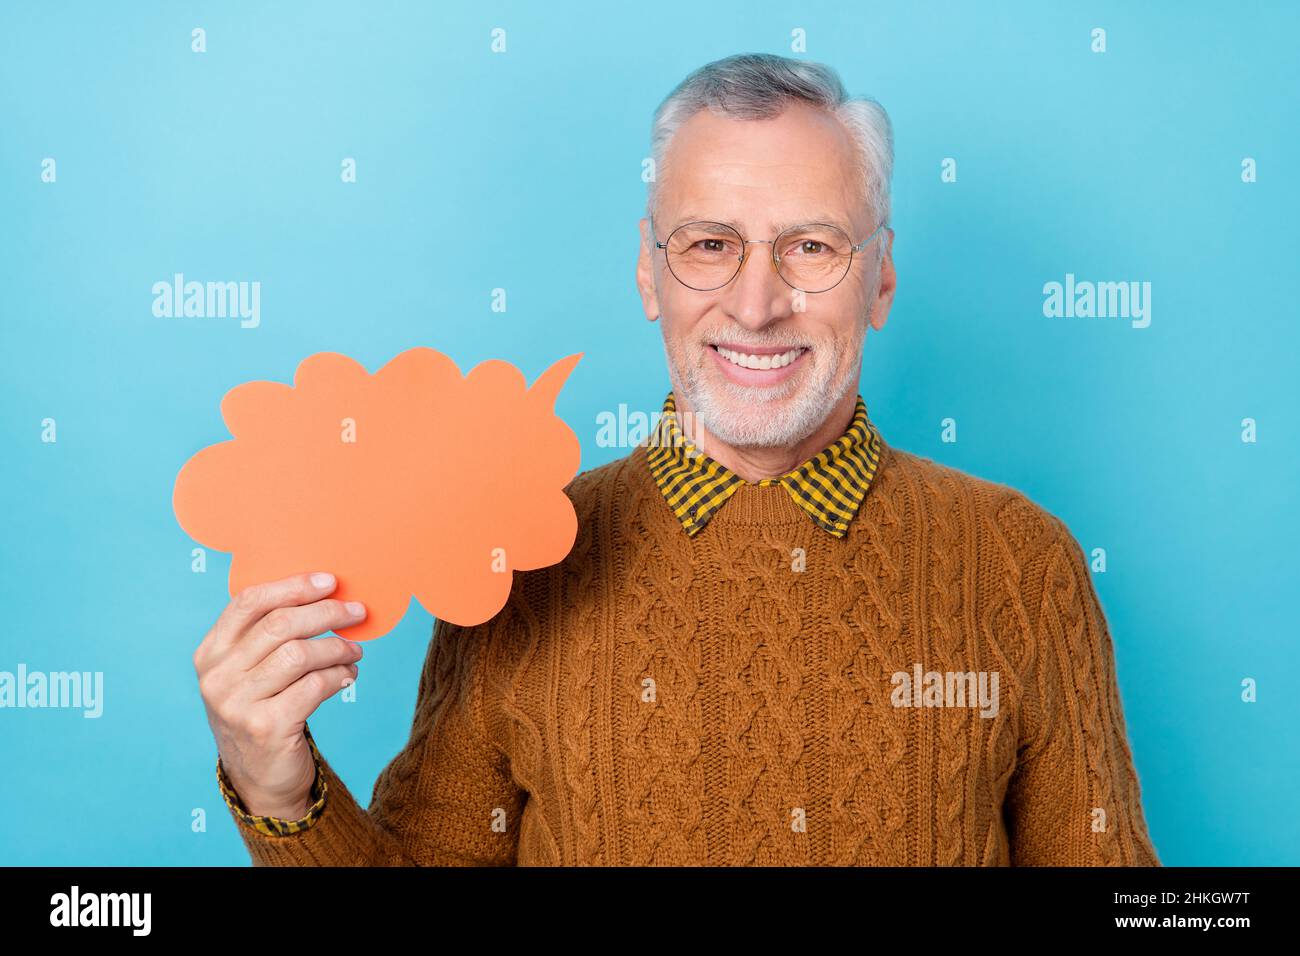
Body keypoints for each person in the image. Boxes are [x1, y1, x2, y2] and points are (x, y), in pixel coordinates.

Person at [195, 52, 1160, 866]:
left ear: (882, 277)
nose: (756, 304)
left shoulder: (1022, 563)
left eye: (811, 247)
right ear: (649, 273)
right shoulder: (524, 555)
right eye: (709, 245)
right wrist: (277, 787)